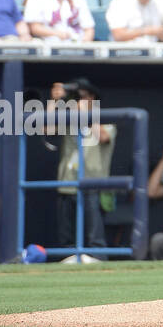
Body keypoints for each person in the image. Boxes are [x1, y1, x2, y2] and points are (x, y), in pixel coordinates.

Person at [54, 79, 114, 251]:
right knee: (67, 241)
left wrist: (87, 113)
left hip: (92, 187)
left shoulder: (107, 121)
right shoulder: (69, 120)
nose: (77, 102)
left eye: (81, 97)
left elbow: (103, 137)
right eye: (75, 98)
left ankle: (100, 271)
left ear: (92, 98)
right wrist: (55, 101)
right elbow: (46, 128)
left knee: (95, 240)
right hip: (66, 186)